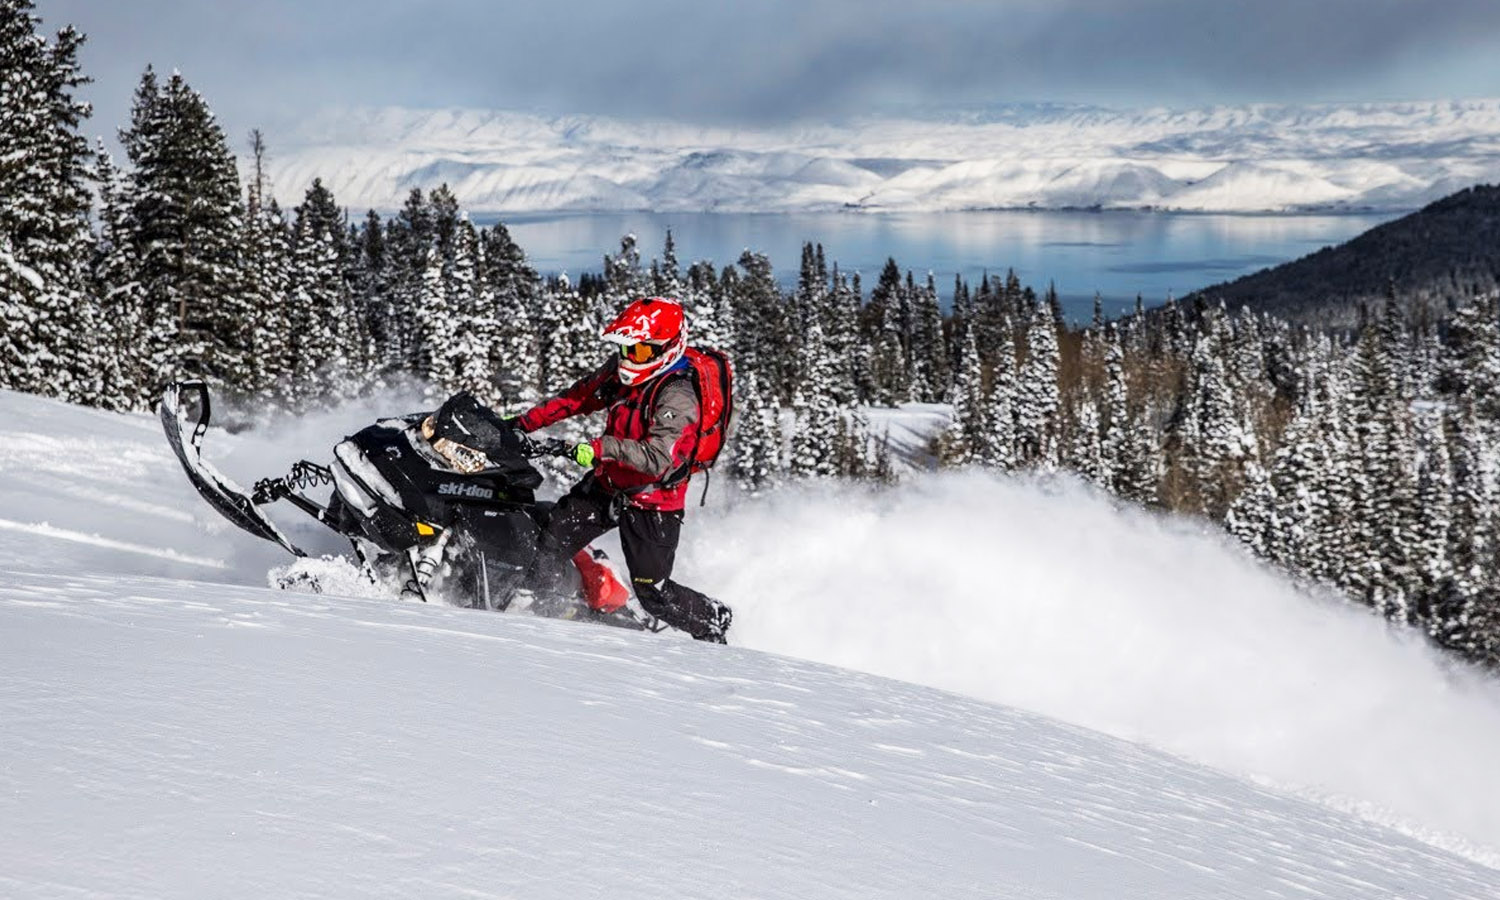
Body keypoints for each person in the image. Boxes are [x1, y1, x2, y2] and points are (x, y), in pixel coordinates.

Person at [438, 297, 733, 643]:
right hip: (607, 484)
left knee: (653, 592)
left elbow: (658, 458)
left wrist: (599, 448)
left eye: (639, 351)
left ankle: (712, 621)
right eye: (626, 348)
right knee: (549, 545)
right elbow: (577, 397)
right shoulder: (624, 371)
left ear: (666, 348)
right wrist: (520, 424)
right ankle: (550, 614)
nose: (629, 357)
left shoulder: (678, 396)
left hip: (652, 502)